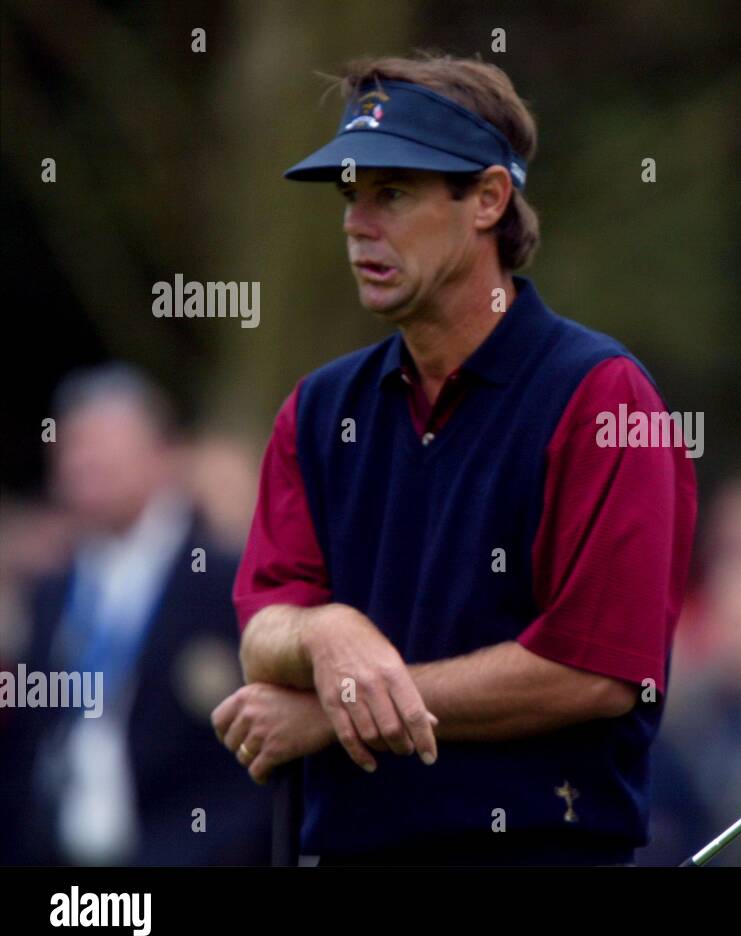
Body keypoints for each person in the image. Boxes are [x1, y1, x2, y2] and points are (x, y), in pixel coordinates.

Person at [212, 52, 696, 865]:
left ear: (489, 199)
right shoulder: (319, 408)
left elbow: (597, 672)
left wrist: (336, 709)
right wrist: (328, 632)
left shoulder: (602, 396)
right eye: (351, 196)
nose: (358, 223)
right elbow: (264, 626)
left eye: (393, 194)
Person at [1, 364, 269, 865]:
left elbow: (245, 769)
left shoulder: (222, 581)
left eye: (103, 446)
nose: (83, 463)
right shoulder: (51, 590)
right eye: (71, 447)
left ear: (161, 455)